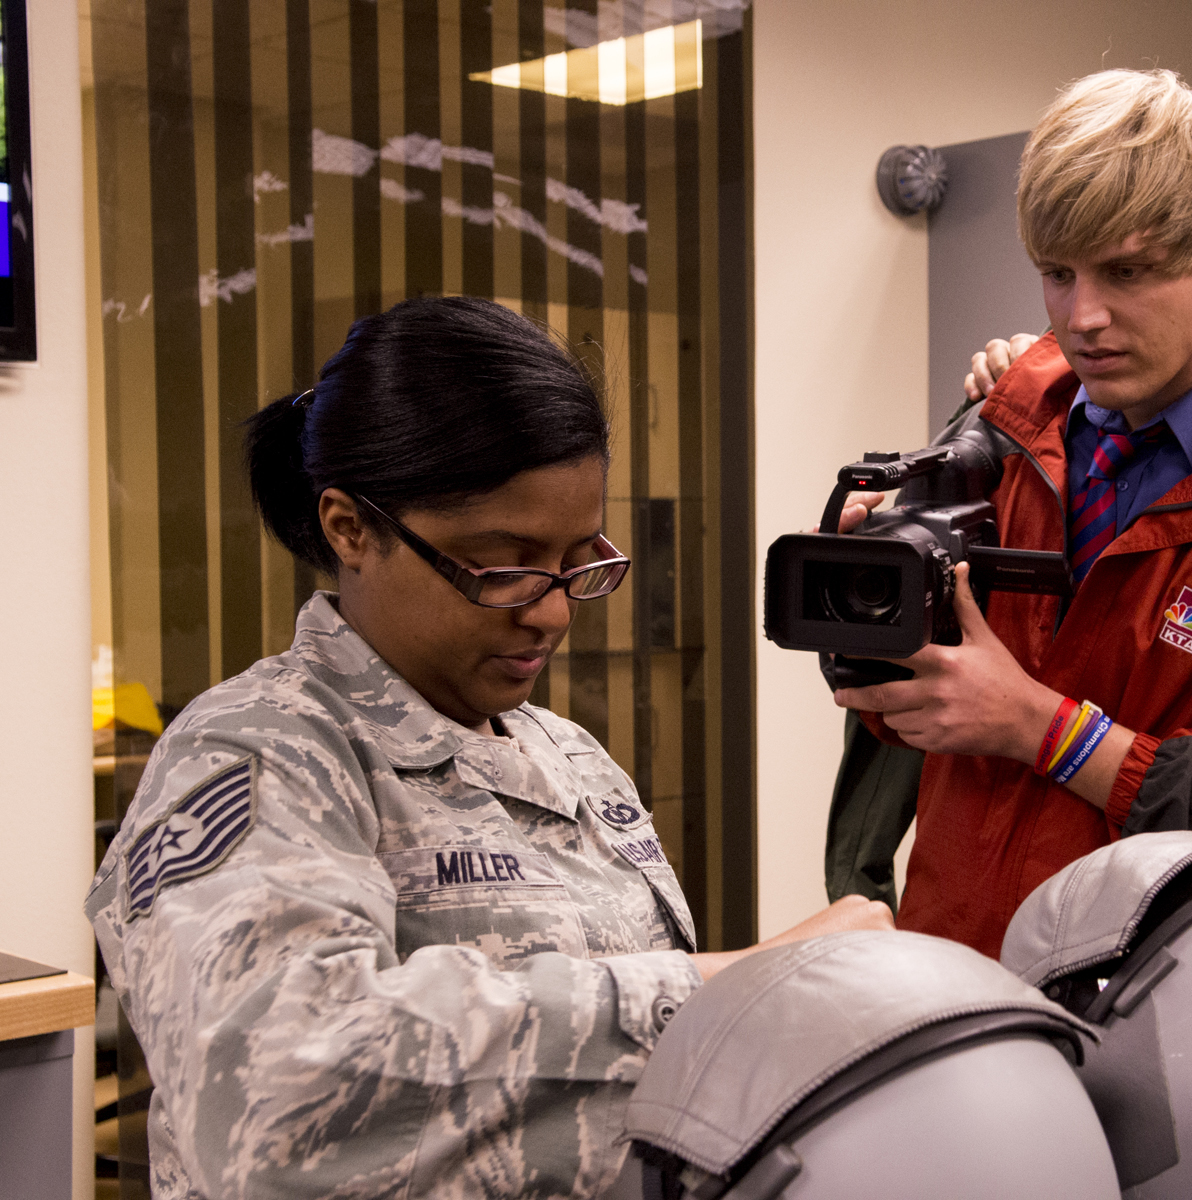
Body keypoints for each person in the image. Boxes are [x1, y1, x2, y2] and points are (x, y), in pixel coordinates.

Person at [86, 297, 891, 1198]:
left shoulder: (569, 756)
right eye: (503, 563)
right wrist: (738, 989)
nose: (550, 609)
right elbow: (279, 1098)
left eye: (578, 560)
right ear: (352, 528)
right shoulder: (260, 752)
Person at [831, 68, 1192, 957]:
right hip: (953, 978)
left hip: (1166, 1019)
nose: (1083, 317)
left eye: (1128, 271)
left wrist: (1042, 729)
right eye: (1057, 274)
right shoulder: (1001, 436)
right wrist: (870, 624)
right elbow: (910, 713)